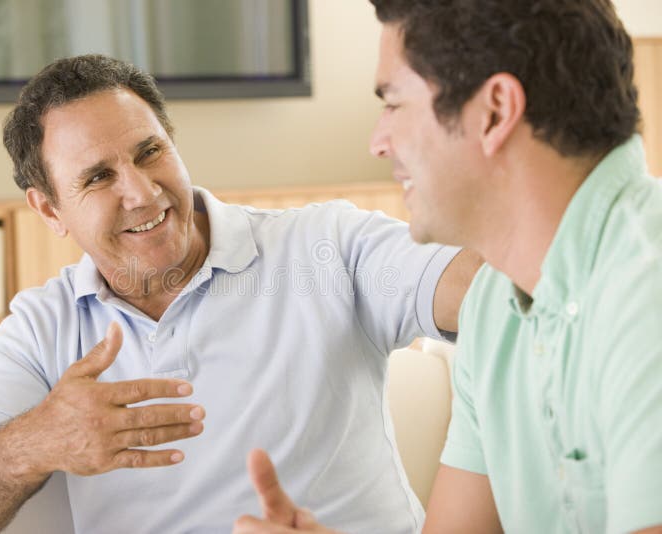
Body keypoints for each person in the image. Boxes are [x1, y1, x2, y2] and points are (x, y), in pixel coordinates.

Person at [0, 54, 481, 533]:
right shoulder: (42, 326)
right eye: (98, 177)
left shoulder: (326, 245)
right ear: (50, 209)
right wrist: (36, 440)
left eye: (149, 152)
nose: (141, 192)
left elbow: (484, 289)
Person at [233, 0, 662, 533]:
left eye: (393, 105)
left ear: (495, 112)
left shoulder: (649, 287)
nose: (376, 143)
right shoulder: (494, 306)